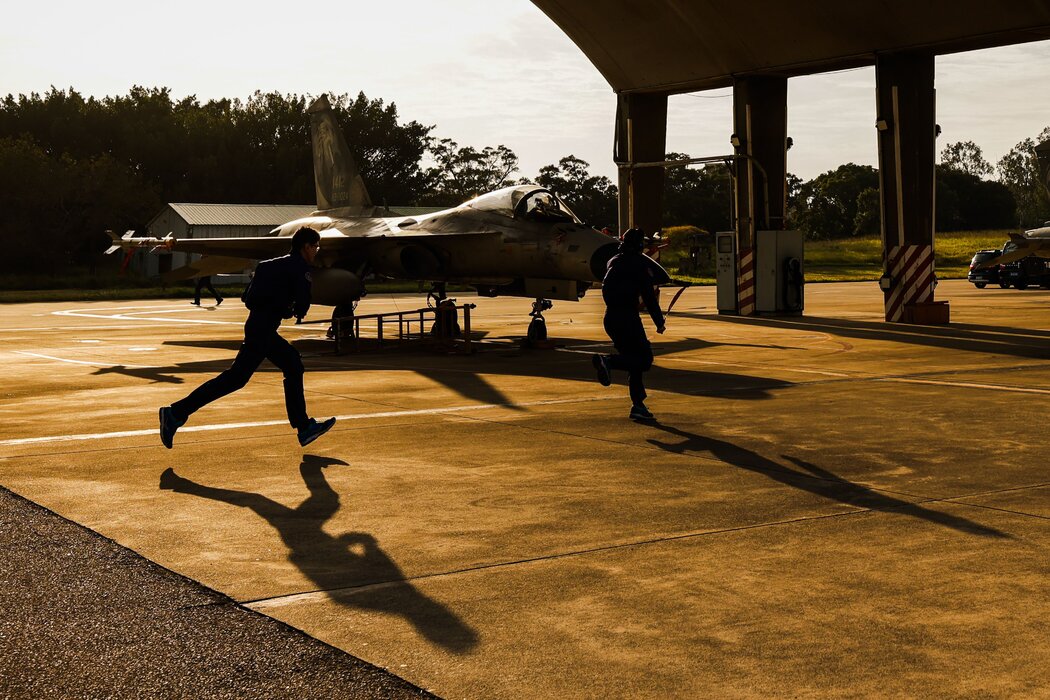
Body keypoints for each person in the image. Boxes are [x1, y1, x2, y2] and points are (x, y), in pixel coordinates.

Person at [159, 227, 335, 448]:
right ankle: (175, 413)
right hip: (264, 332)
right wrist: (289, 309)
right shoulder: (300, 268)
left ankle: (304, 428)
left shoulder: (268, 265)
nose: (316, 251)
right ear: (306, 247)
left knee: (289, 366)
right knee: (240, 377)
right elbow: (302, 306)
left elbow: (247, 298)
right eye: (315, 246)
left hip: (257, 327)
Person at [592, 228, 666, 421]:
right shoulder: (638, 265)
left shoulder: (613, 261)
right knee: (644, 359)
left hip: (611, 318)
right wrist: (659, 322)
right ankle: (608, 361)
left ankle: (638, 406)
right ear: (640, 245)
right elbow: (649, 298)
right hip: (627, 318)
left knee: (634, 361)